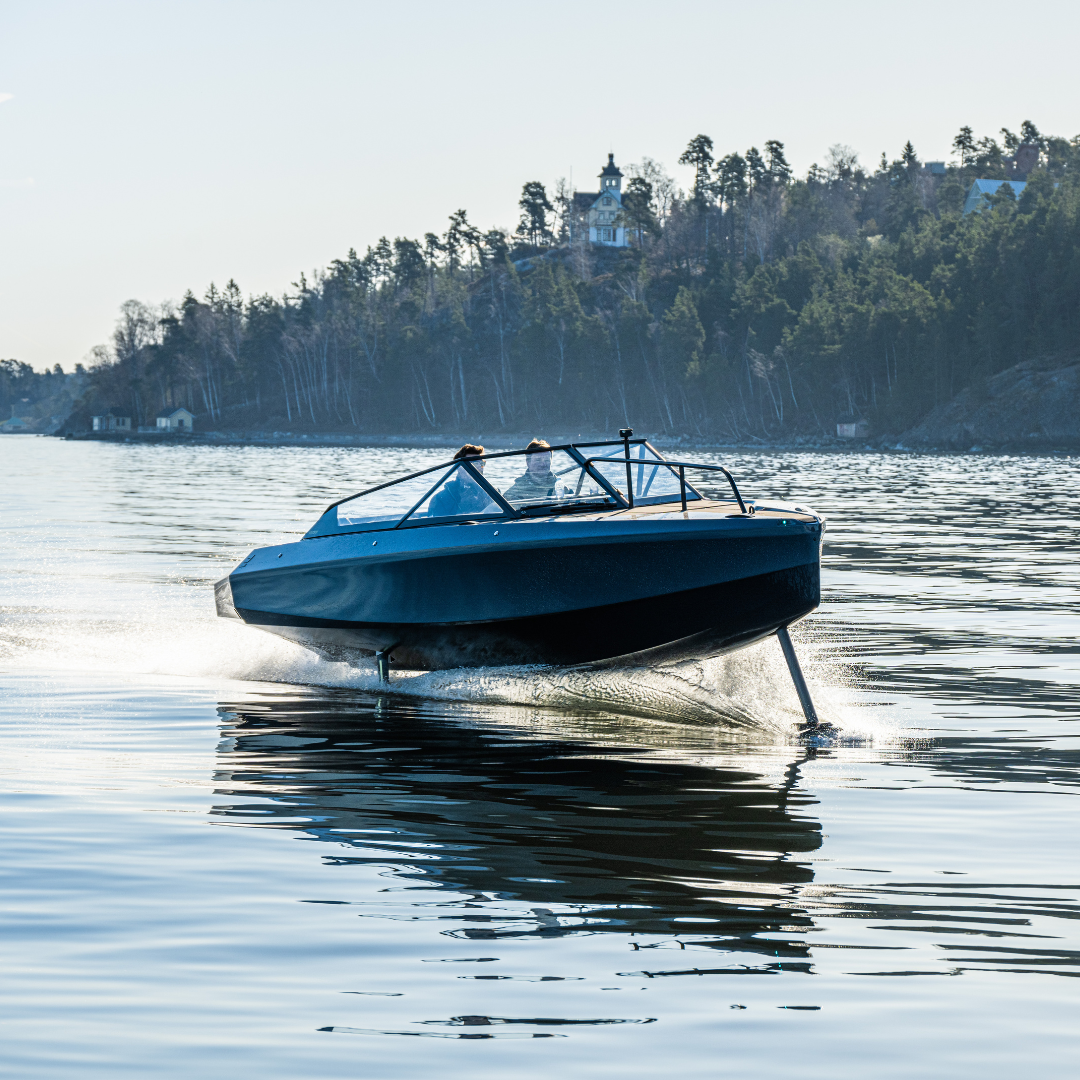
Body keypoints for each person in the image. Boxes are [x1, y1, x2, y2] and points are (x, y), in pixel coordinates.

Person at [428, 444, 495, 518]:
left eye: (481, 463)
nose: (479, 467)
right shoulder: (441, 499)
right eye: (473, 464)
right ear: (459, 468)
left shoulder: (491, 493)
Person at [502, 438, 572, 504]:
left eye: (547, 460)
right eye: (538, 460)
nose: (543, 464)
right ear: (528, 462)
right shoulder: (513, 493)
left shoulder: (563, 489)